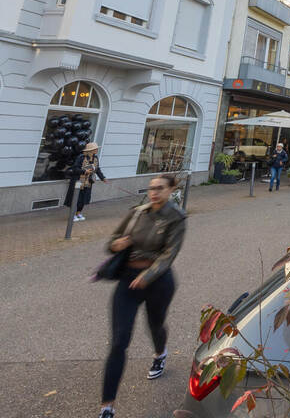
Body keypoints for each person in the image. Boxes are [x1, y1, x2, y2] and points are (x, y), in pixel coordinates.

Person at [98, 174, 186, 418]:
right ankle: (107, 407)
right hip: (128, 280)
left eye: (160, 188)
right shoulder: (137, 212)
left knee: (155, 324)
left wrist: (148, 276)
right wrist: (117, 244)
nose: (154, 192)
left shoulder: (176, 218)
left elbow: (170, 254)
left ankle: (160, 354)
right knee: (119, 341)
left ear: (171, 190)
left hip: (159, 282)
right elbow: (113, 240)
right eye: (151, 188)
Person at [68, 142, 108, 222]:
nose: (97, 150)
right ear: (91, 150)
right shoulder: (81, 157)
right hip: (78, 181)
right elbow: (75, 169)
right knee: (76, 198)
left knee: (83, 198)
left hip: (88, 182)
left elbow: (97, 169)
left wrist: (102, 178)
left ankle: (78, 213)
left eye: (97, 149)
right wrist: (85, 171)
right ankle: (73, 215)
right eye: (95, 149)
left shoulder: (95, 158)